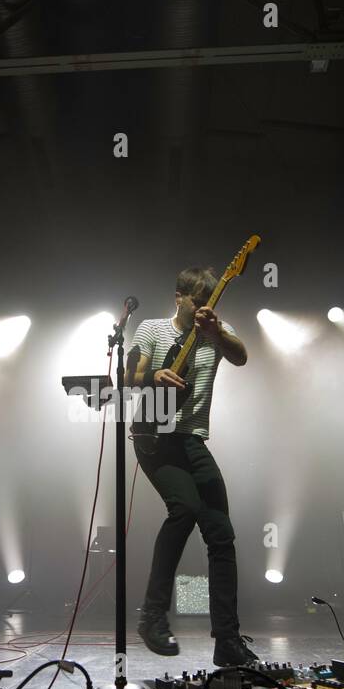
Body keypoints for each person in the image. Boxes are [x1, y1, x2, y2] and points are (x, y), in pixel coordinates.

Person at [125, 266, 257, 666]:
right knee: (184, 508)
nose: (203, 308)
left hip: (192, 440)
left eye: (209, 302)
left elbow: (241, 356)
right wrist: (153, 375)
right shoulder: (152, 329)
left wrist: (216, 331)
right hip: (154, 437)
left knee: (221, 532)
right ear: (178, 296)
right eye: (197, 300)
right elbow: (129, 374)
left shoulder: (216, 329)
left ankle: (227, 641)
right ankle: (151, 615)